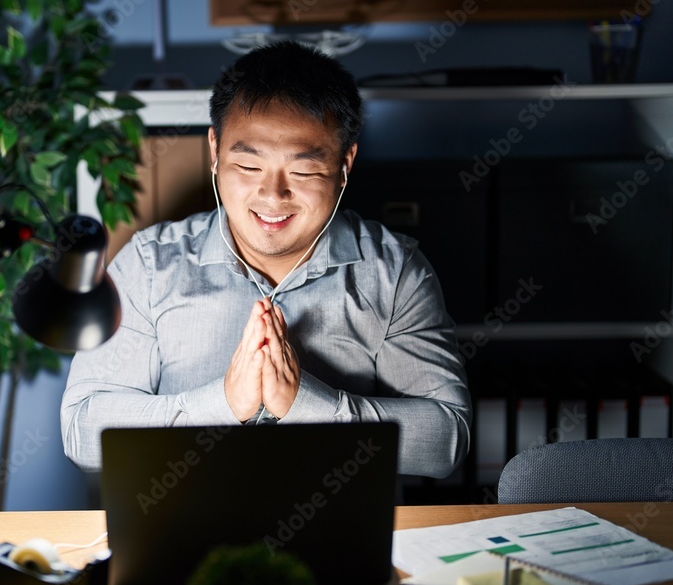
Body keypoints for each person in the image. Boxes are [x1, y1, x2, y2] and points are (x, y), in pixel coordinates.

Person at [60, 40, 470, 478]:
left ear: (345, 163)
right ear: (215, 151)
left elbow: (447, 441)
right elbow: (82, 430)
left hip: (341, 536)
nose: (273, 196)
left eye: (303, 170)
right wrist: (221, 405)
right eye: (250, 166)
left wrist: (311, 405)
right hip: (179, 531)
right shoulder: (147, 265)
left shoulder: (395, 273)